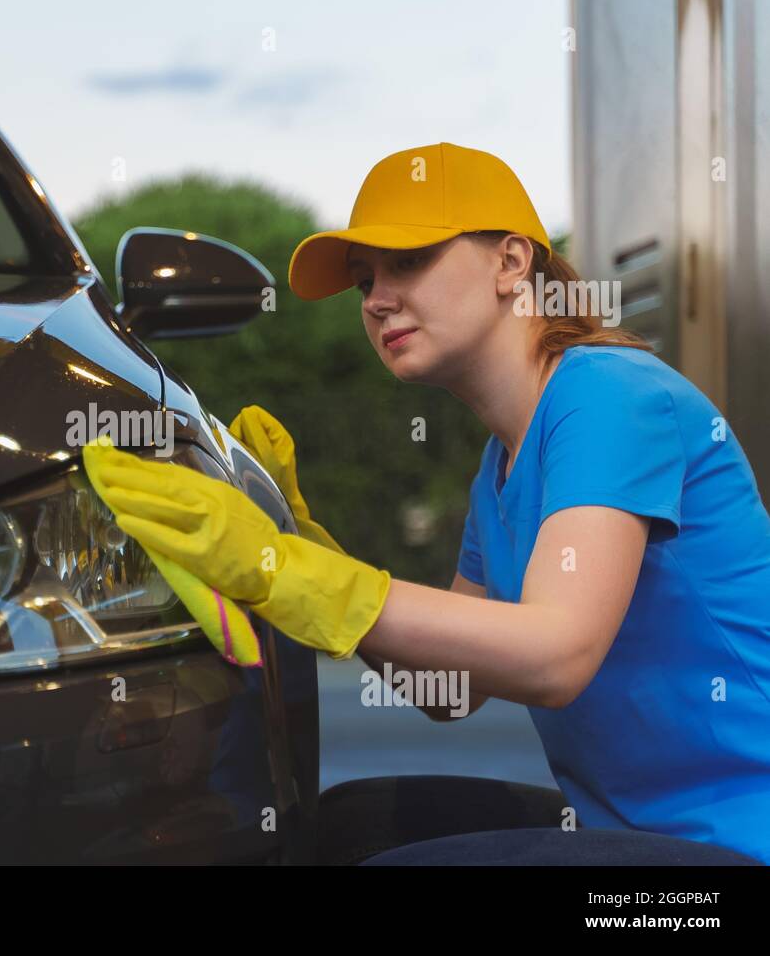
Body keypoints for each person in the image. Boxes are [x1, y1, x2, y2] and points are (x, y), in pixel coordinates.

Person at [82, 142, 770, 865]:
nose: (378, 300)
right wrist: (315, 559)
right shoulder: (500, 466)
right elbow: (451, 693)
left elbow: (557, 654)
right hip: (639, 842)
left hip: (734, 849)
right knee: (356, 822)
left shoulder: (610, 396)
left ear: (512, 262)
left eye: (408, 261)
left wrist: (296, 575)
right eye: (363, 280)